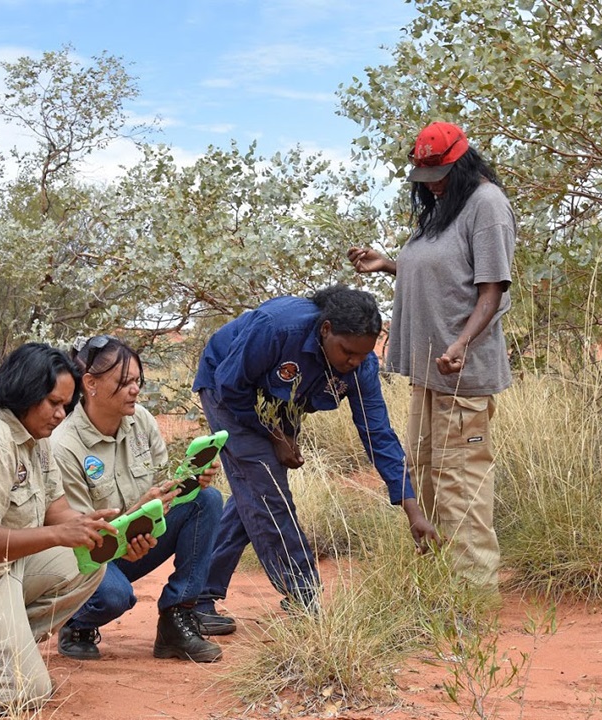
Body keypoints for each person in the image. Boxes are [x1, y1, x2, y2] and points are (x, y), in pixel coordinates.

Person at [193, 284, 438, 615]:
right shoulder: (279, 327)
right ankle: (303, 595)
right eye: (347, 352)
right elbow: (231, 386)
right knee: (265, 485)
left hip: (275, 399)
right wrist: (275, 435)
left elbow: (378, 434)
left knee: (257, 491)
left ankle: (196, 595)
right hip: (226, 385)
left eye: (364, 355)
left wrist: (413, 510)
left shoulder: (361, 368)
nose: (354, 362)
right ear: (325, 330)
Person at [347, 120, 516, 591]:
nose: (432, 186)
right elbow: (446, 274)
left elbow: (492, 288)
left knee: (461, 489)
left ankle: (474, 599)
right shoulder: (448, 207)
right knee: (428, 481)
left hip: (462, 376)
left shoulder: (488, 206)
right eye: (424, 178)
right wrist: (389, 264)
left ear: (461, 163)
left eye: (438, 175)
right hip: (430, 375)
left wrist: (461, 343)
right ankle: (443, 588)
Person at [0, 343, 117, 712]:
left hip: (5, 573)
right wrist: (59, 535)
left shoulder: (34, 439)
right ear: (25, 392)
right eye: (53, 403)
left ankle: (7, 647)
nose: (61, 415)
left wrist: (111, 525)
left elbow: (58, 512)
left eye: (66, 406)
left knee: (86, 559)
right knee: (26, 692)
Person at [51, 336, 227, 663]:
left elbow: (162, 480)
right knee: (114, 597)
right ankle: (75, 621)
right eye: (124, 382)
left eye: (137, 381)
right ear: (90, 383)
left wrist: (187, 482)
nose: (135, 389)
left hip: (136, 539)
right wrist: (136, 513)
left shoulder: (141, 420)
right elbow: (79, 537)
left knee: (206, 500)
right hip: (87, 559)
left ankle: (177, 618)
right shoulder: (65, 445)